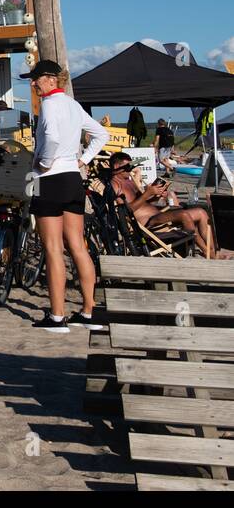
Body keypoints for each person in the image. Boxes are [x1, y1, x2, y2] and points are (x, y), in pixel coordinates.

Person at [21, 60, 110, 332]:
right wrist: (82, 160)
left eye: (36, 79)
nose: (33, 84)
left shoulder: (49, 104)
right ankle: (88, 311)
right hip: (73, 178)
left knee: (52, 249)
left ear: (50, 79)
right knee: (78, 246)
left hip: (49, 180)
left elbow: (51, 136)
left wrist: (44, 162)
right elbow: (101, 134)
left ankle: (58, 316)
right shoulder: (73, 104)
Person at [106, 151, 217, 258]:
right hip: (146, 224)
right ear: (116, 166)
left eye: (131, 166)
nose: (130, 170)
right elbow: (124, 211)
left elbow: (144, 203)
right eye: (127, 167)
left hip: (158, 216)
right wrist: (147, 194)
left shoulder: (129, 181)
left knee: (201, 212)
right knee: (183, 215)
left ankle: (213, 252)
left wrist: (155, 195)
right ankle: (206, 251)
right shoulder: (115, 186)